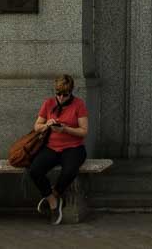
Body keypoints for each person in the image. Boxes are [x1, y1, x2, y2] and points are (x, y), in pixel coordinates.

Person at [28, 74, 89, 225]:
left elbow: (84, 131)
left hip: (74, 148)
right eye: (58, 94)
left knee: (69, 171)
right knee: (35, 170)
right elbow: (36, 127)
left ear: (71, 92)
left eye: (65, 94)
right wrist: (47, 125)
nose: (61, 98)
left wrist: (66, 129)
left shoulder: (79, 104)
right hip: (51, 147)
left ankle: (54, 194)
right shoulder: (48, 103)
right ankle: (52, 202)